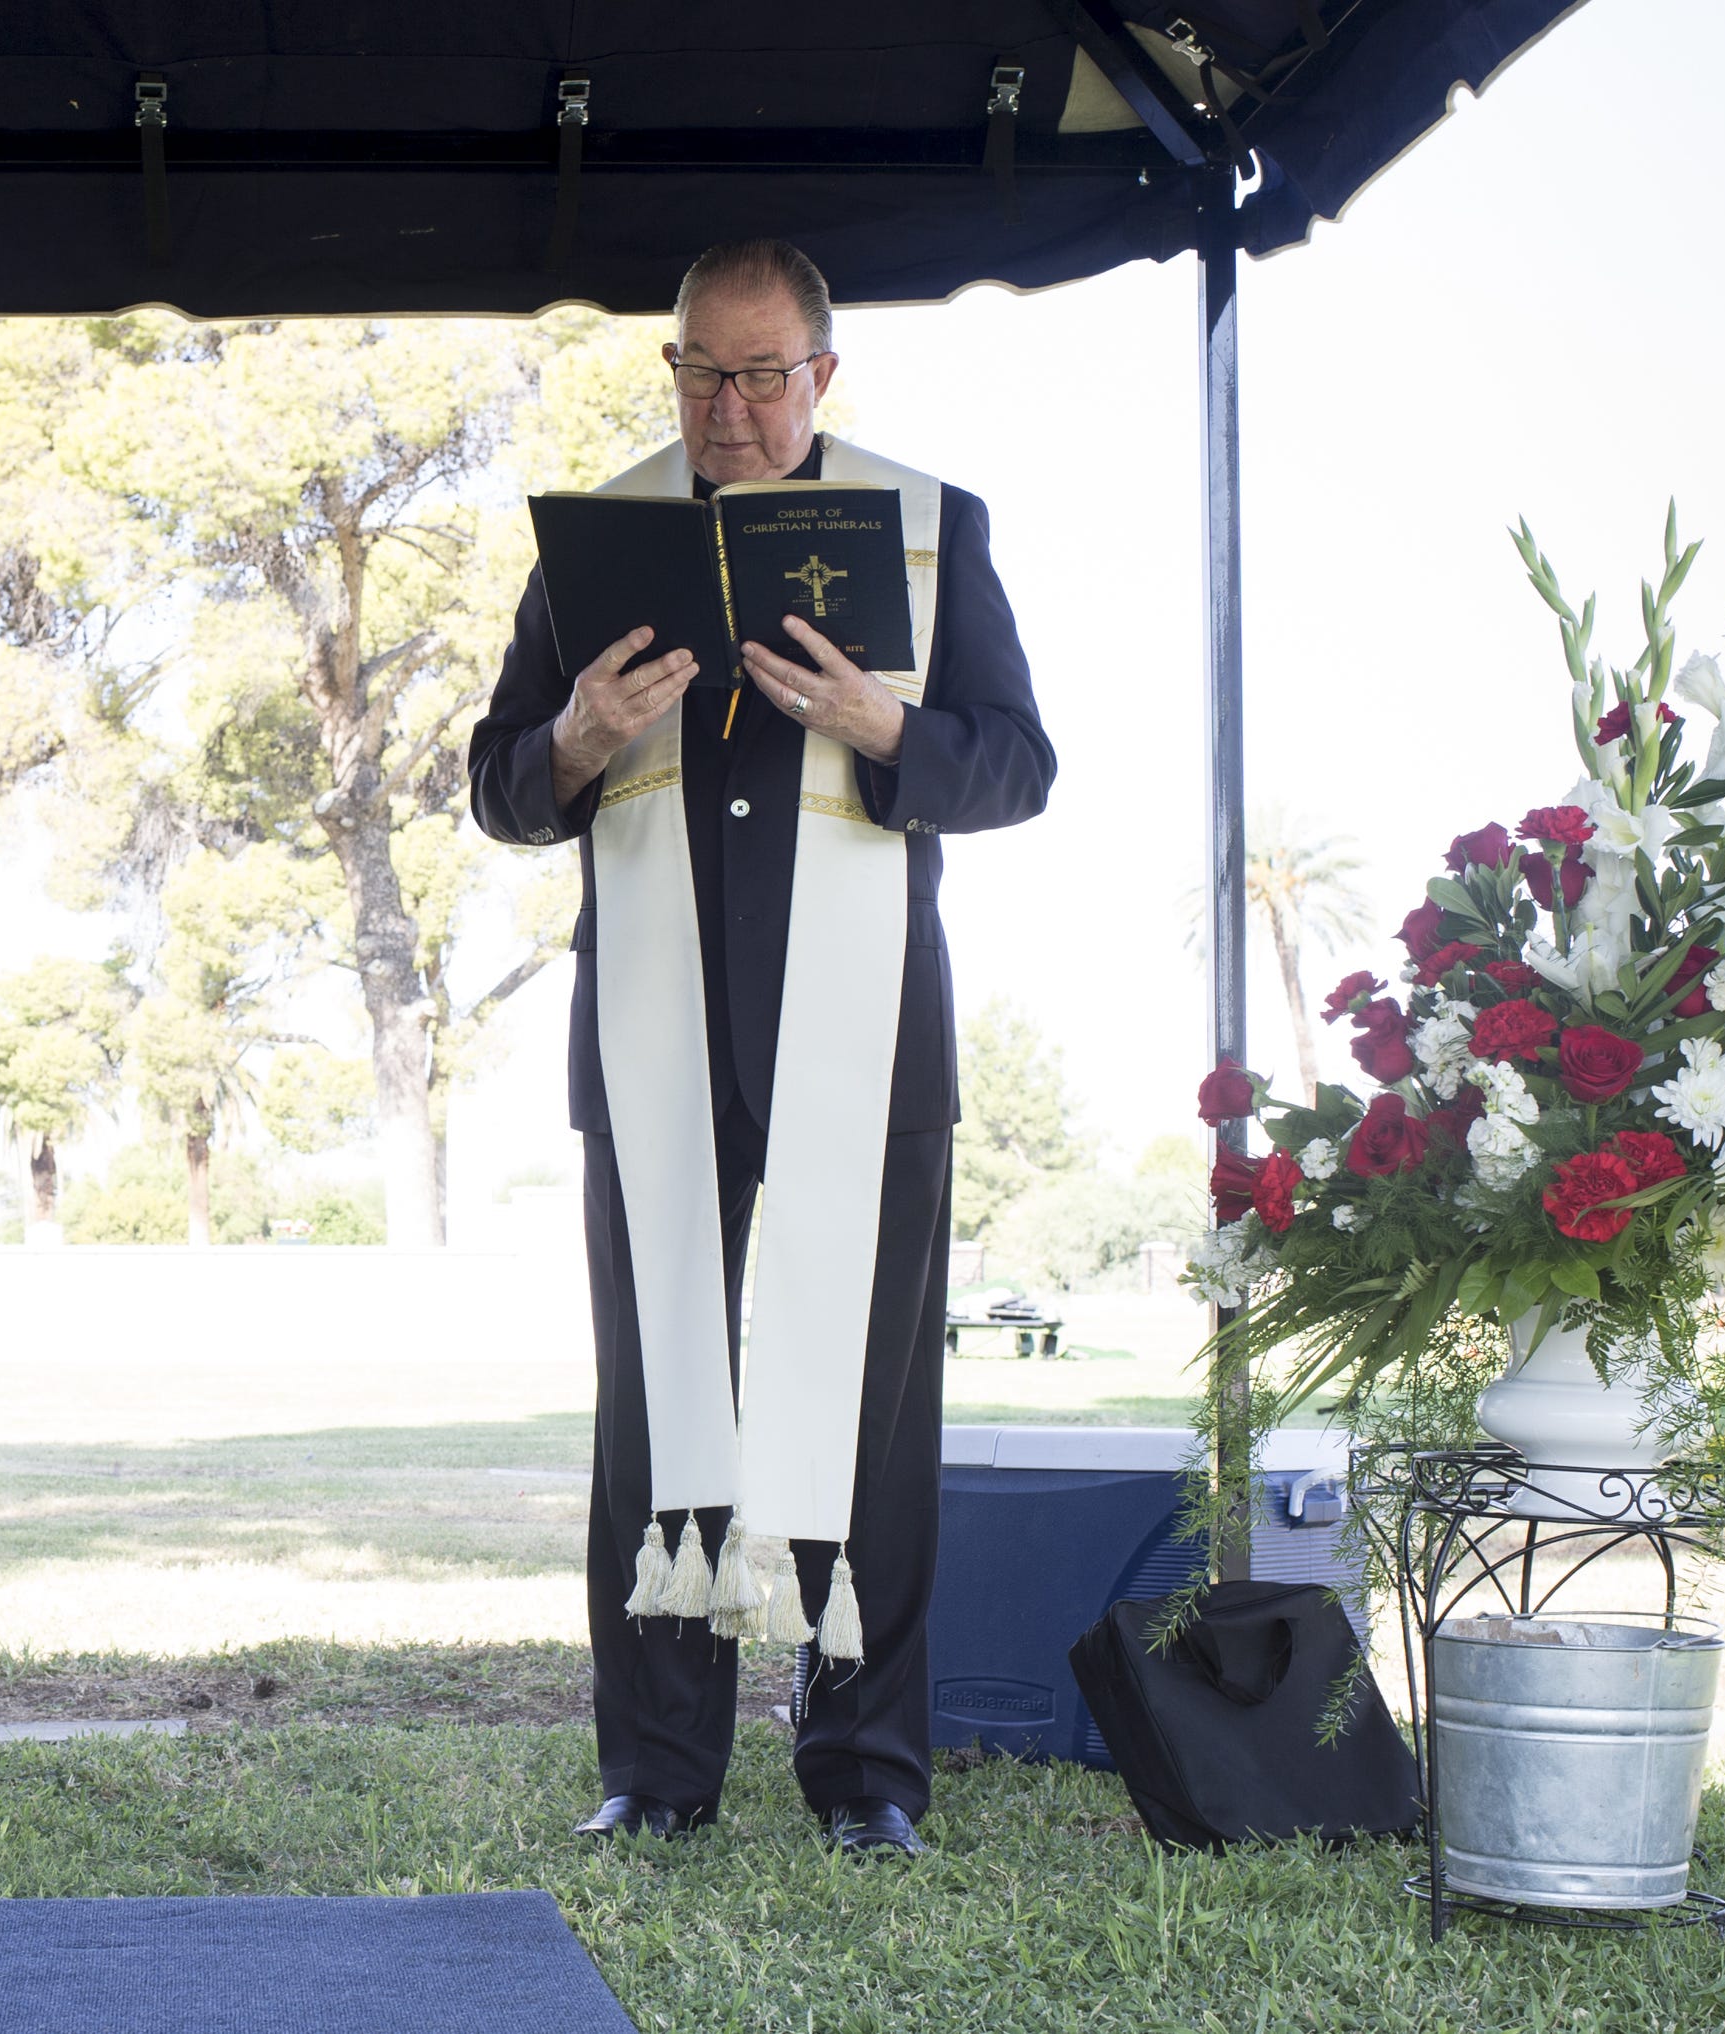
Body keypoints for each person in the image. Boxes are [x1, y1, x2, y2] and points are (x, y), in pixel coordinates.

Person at [466, 241, 1056, 1854]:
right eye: (700, 374)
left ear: (823, 375)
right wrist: (578, 738)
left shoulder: (934, 530)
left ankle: (867, 1770)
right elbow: (499, 778)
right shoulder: (602, 534)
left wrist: (885, 730)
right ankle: (658, 1769)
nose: (728, 409)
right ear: (669, 372)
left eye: (762, 375)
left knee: (877, 1413)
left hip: (868, 1053)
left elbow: (1017, 764)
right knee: (654, 1399)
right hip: (654, 1043)